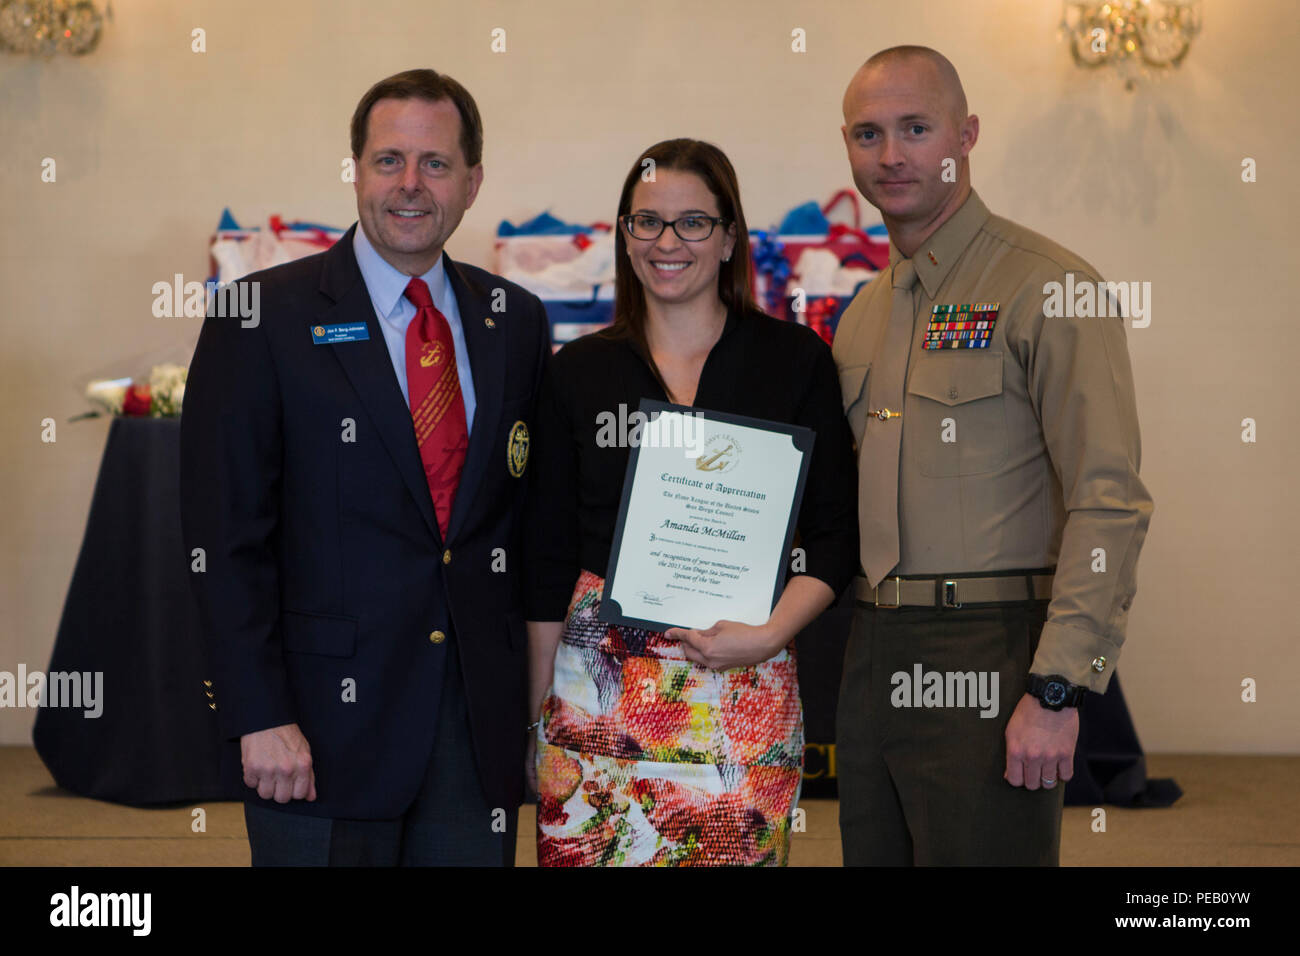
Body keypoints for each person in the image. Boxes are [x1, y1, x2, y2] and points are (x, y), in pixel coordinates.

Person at [180, 69, 550, 866]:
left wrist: (532, 716)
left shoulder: (513, 320)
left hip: (470, 734)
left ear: (473, 181)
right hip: (315, 734)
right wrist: (257, 714)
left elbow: (523, 529)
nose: (410, 185)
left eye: (436, 163)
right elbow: (222, 540)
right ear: (355, 170)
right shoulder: (259, 317)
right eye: (389, 160)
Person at [831, 45, 1154, 865]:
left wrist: (1059, 688)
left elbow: (1109, 500)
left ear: (965, 134)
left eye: (915, 128)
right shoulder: (862, 314)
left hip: (990, 647)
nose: (892, 155)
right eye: (868, 134)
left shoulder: (1050, 287)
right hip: (871, 649)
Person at [523, 138, 858, 866]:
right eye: (647, 222)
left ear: (731, 236)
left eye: (693, 223)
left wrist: (768, 635)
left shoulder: (794, 361)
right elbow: (545, 557)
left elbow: (834, 536)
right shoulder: (578, 371)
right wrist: (539, 716)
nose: (667, 243)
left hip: (744, 687)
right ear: (624, 234)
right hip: (596, 704)